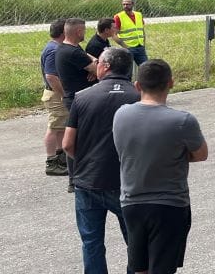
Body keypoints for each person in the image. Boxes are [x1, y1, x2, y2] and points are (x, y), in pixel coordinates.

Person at [113, 59, 208, 274]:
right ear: (171, 83)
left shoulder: (121, 114)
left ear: (137, 85)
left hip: (131, 202)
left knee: (139, 268)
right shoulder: (183, 120)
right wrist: (172, 154)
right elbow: (201, 154)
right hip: (170, 204)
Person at [63, 47, 140, 273]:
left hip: (88, 180)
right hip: (127, 182)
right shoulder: (139, 97)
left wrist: (86, 160)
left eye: (98, 63)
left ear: (105, 66)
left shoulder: (82, 97)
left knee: (92, 242)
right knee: (136, 242)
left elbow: (67, 144)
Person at [56, 17, 99, 193]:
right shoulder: (73, 53)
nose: (85, 33)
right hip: (79, 100)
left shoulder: (66, 48)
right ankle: (74, 180)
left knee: (79, 136)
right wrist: (95, 68)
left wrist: (93, 65)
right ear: (79, 31)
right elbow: (100, 70)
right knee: (79, 138)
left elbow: (93, 64)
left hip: (75, 98)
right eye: (84, 30)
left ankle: (76, 178)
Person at [41, 19, 69, 176]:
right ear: (64, 32)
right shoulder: (54, 50)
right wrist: (64, 94)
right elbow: (51, 76)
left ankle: (60, 157)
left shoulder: (55, 47)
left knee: (60, 127)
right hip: (55, 94)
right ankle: (51, 162)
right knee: (53, 128)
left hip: (56, 94)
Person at [113, 0, 148, 66]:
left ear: (132, 4)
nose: (125, 6)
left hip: (140, 47)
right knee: (127, 70)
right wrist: (125, 46)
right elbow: (114, 35)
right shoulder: (118, 17)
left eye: (127, 4)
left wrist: (143, 44)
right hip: (128, 48)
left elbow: (142, 30)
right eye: (124, 4)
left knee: (146, 68)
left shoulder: (139, 15)